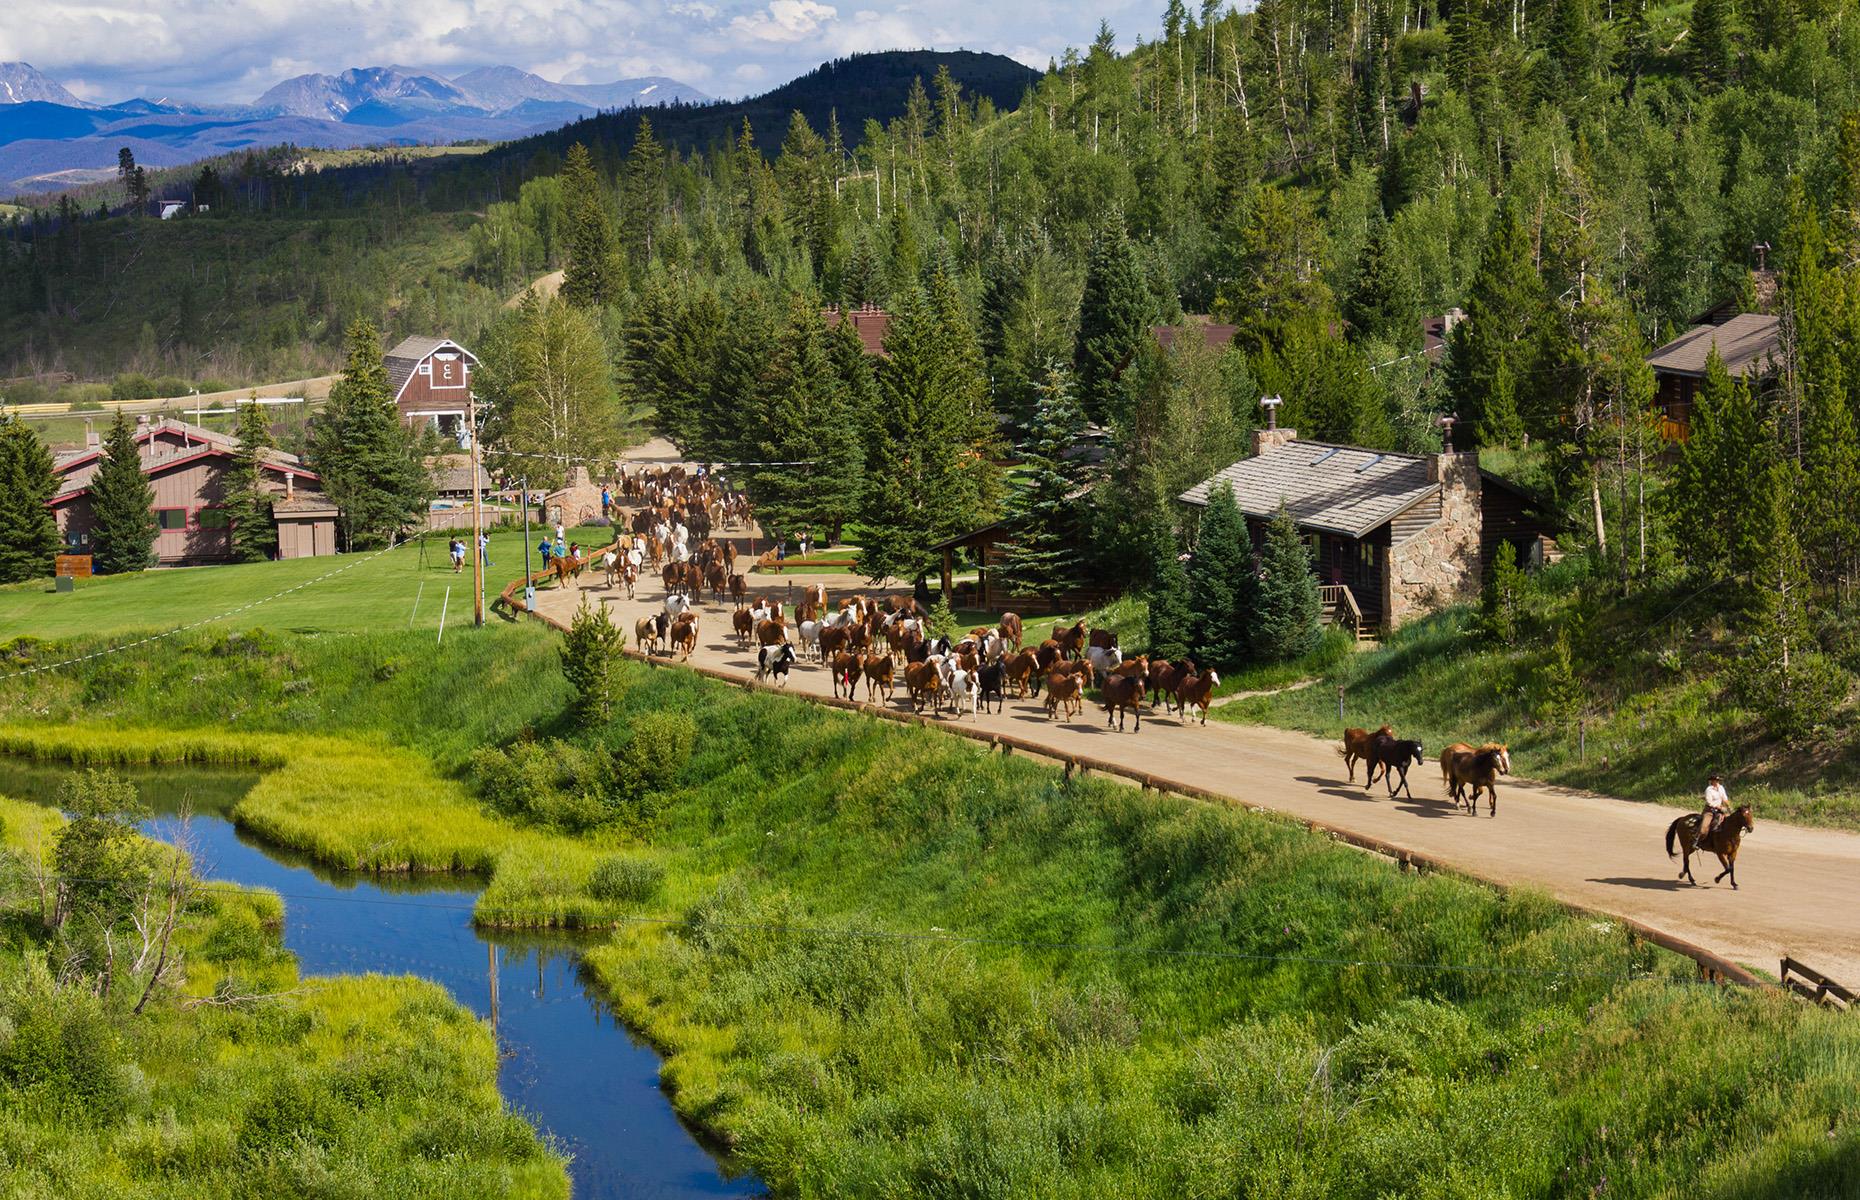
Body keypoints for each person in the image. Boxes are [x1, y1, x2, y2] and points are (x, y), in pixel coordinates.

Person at [1699, 774, 1729, 844]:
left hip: (1720, 810)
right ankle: (1697, 841)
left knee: (1730, 822)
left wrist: (1727, 804)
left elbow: (1724, 798)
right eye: (1716, 780)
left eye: (1718, 781)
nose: (1717, 782)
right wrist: (1719, 807)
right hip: (1710, 811)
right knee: (1703, 829)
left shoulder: (1721, 787)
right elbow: (1709, 802)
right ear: (1712, 781)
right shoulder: (1708, 790)